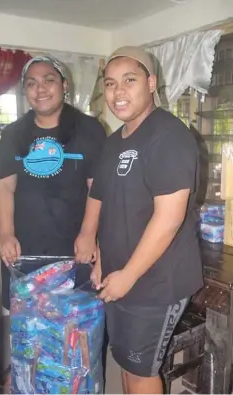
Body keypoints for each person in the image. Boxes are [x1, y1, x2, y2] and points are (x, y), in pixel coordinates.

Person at [75, 46, 203, 394]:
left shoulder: (169, 135)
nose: (119, 92)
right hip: (120, 274)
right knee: (128, 364)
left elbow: (169, 218)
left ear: (150, 83)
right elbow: (105, 200)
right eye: (111, 83)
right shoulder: (115, 141)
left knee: (142, 370)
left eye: (129, 81)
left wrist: (129, 276)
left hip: (156, 280)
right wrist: (100, 255)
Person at [0, 55, 106, 391]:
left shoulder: (88, 130)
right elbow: (3, 186)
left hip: (75, 254)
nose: (40, 88)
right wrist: (5, 232)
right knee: (29, 340)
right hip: (24, 254)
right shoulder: (14, 134)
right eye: (31, 83)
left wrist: (89, 234)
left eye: (49, 80)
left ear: (64, 86)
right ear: (25, 91)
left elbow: (97, 189)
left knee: (75, 342)